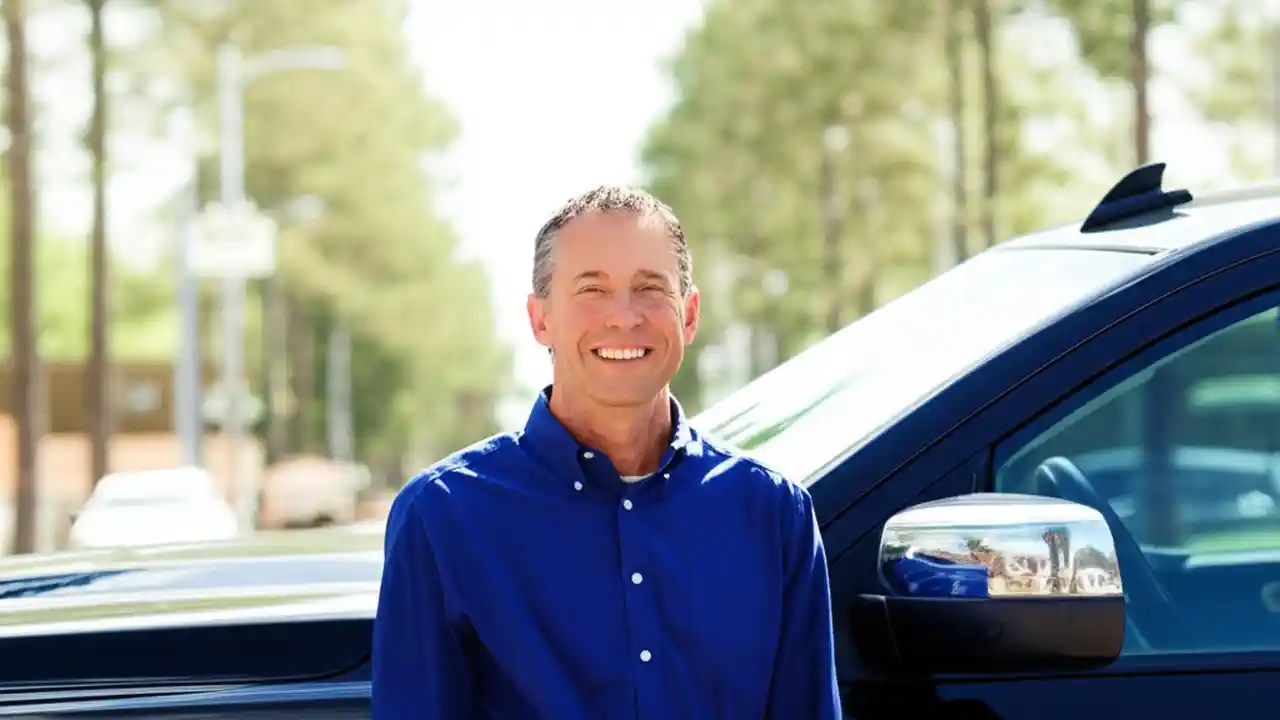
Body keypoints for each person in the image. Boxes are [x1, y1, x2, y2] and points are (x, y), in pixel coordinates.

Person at [371, 185, 842, 719]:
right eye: (592, 289)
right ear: (539, 318)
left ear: (688, 315)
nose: (624, 316)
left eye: (650, 289)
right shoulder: (443, 516)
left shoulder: (774, 514)